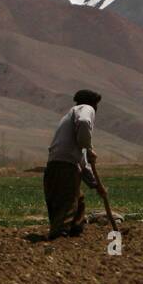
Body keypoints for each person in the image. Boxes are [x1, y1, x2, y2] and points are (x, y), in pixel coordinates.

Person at [43, 89, 102, 239]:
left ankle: (75, 231)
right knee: (68, 202)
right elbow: (84, 122)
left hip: (54, 166)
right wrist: (89, 148)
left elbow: (82, 161)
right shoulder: (85, 109)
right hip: (66, 167)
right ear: (94, 104)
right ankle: (60, 236)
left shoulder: (69, 117)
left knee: (77, 200)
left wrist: (95, 185)